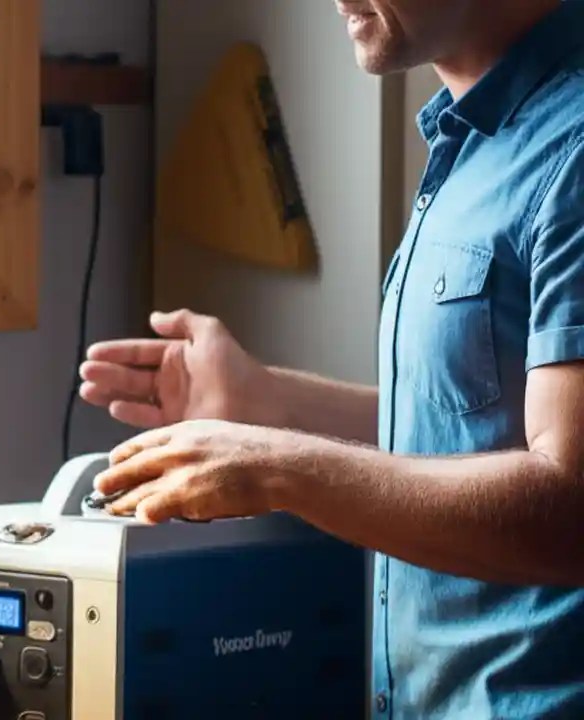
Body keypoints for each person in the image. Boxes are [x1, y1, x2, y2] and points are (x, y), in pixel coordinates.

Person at [81, 0, 584, 717]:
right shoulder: (474, 137)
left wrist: (278, 466)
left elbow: (570, 506)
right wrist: (266, 403)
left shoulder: (575, 150)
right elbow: (473, 433)